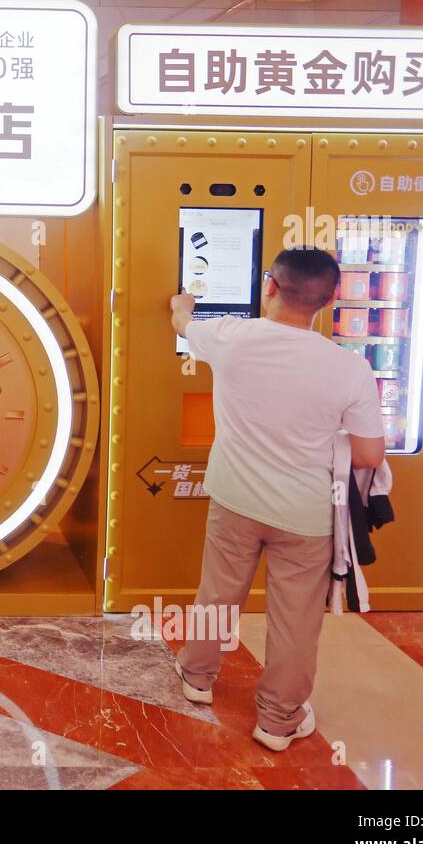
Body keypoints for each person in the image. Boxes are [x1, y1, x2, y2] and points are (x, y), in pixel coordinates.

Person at [168, 247, 385, 751]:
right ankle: (278, 722)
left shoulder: (231, 338)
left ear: (270, 286)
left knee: (219, 592)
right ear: (330, 300)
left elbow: (183, 322)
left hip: (234, 500)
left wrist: (183, 300)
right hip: (307, 516)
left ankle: (197, 679)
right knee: (295, 620)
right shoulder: (349, 369)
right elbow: (368, 454)